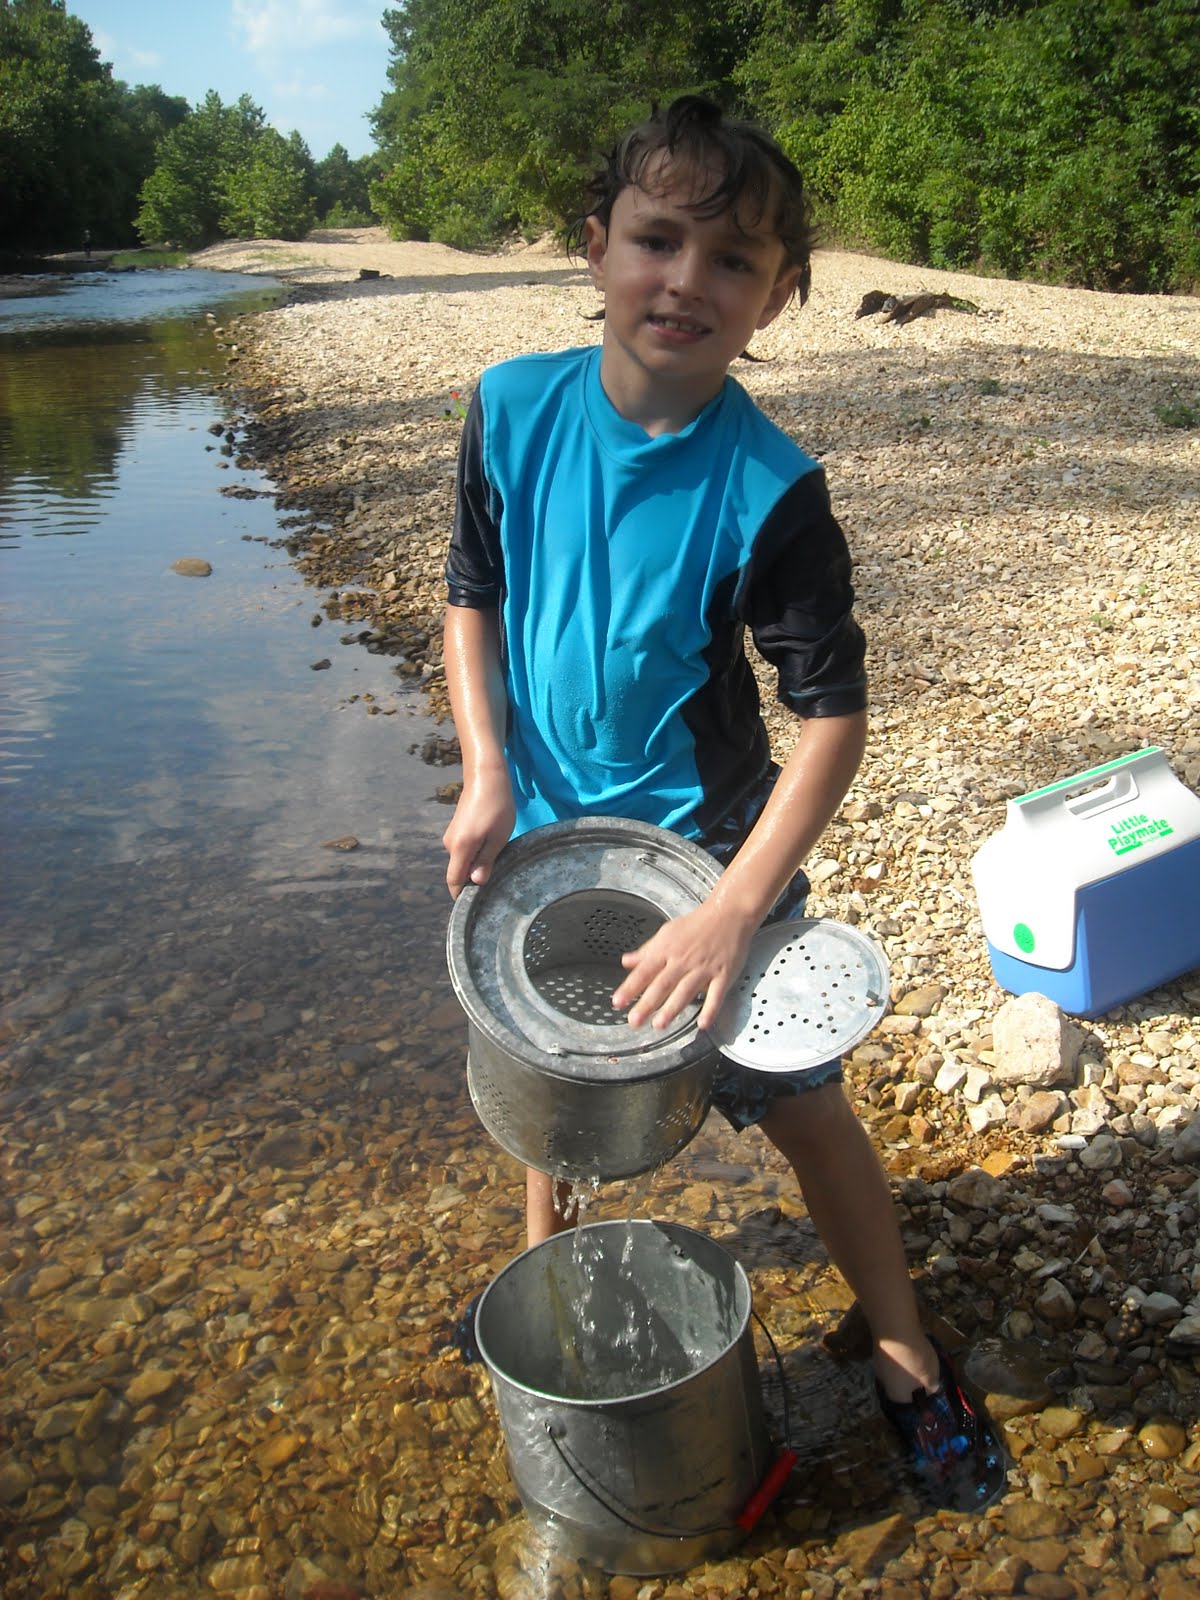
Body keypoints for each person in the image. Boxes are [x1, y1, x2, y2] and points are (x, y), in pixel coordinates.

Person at [440, 95, 1004, 1513]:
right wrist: (489, 768)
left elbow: (834, 719)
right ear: (596, 250)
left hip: (712, 866)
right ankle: (547, 1292)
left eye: (734, 259)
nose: (685, 279)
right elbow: (471, 597)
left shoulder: (770, 488)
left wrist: (736, 907)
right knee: (545, 1093)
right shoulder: (509, 410)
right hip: (551, 850)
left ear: (778, 298)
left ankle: (904, 1354)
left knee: (804, 1104)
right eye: (657, 238)